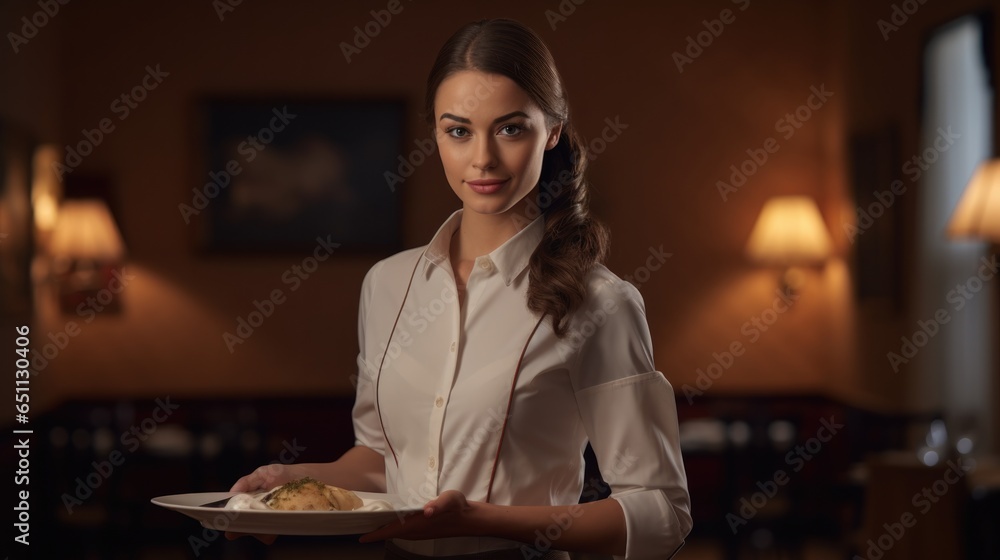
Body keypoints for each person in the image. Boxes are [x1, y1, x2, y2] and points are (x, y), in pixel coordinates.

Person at [229, 18, 691, 560]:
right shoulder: (386, 284)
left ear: (553, 131)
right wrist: (287, 481)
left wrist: (482, 519)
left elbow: (662, 512)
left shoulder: (601, 303)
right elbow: (382, 462)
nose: (483, 158)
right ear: (436, 135)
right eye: (459, 131)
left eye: (510, 129)